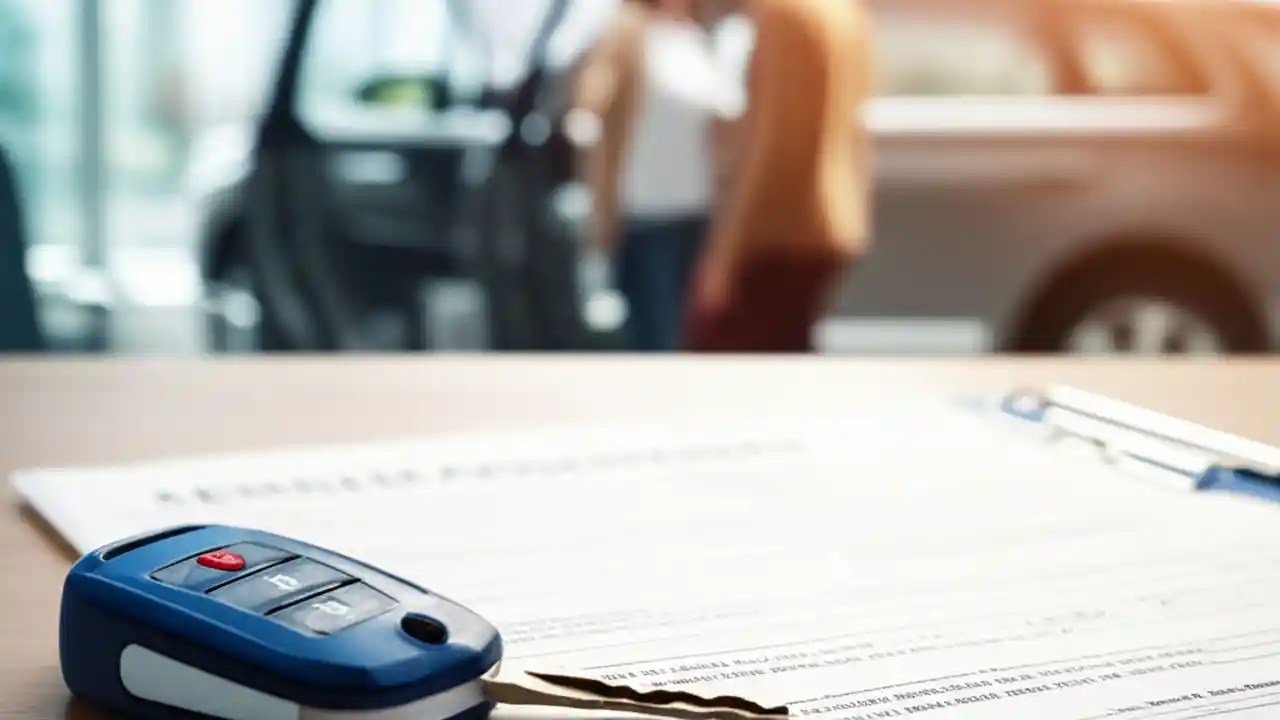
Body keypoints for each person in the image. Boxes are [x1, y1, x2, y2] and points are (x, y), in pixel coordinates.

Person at [687, 0, 874, 353]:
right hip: (831, 217)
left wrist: (725, 254)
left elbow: (771, 139)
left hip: (780, 229)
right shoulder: (841, 12)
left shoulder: (783, 14)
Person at [572, 0, 732, 352]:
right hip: (645, 212)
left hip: (697, 215)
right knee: (659, 338)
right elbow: (590, 101)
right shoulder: (626, 32)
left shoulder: (696, 38)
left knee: (693, 336)